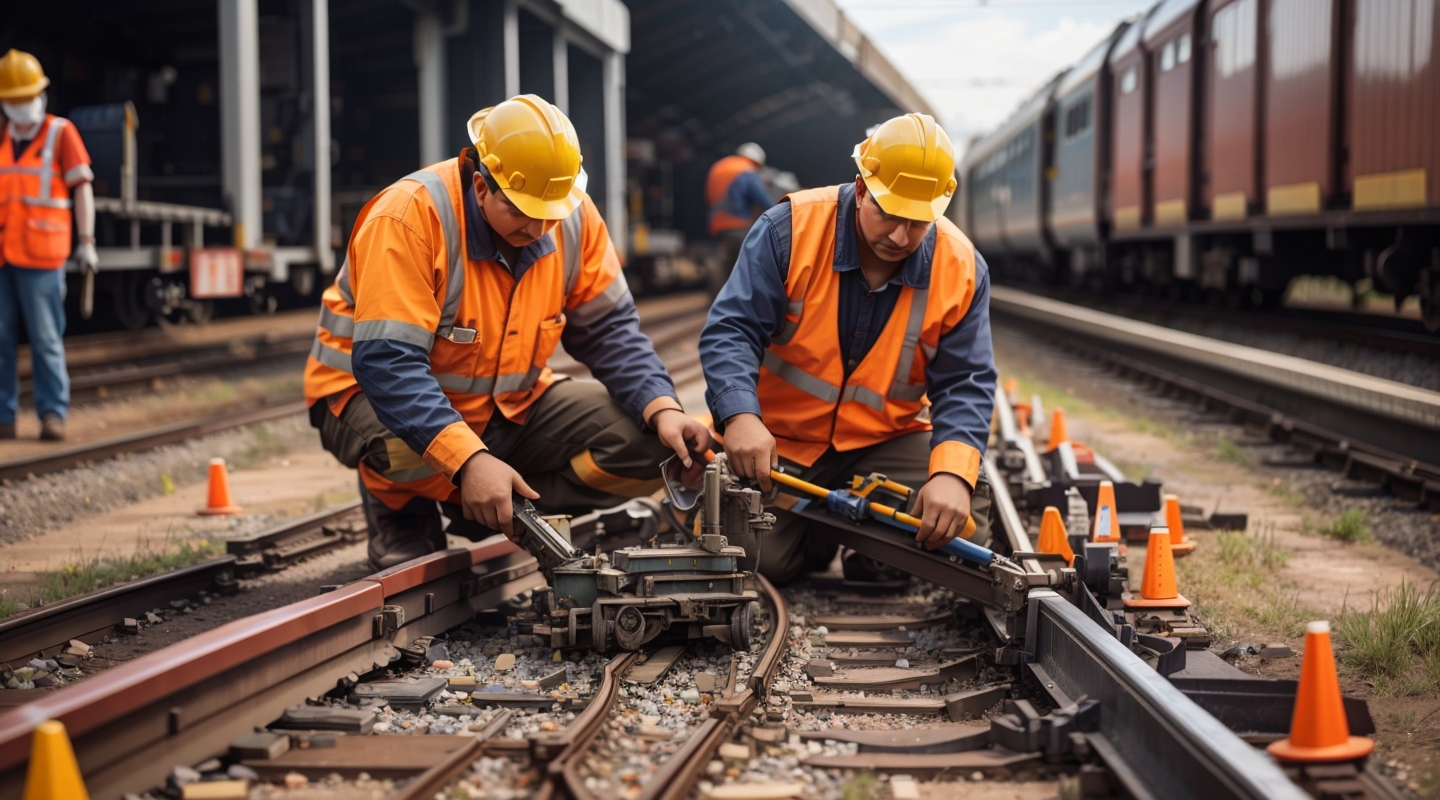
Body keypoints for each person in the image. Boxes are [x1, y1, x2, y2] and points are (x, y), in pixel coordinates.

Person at [305, 95, 711, 569]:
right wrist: (468, 461)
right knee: (402, 445)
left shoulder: (572, 217)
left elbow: (610, 330)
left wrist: (662, 407)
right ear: (481, 186)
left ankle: (497, 507)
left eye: (550, 212)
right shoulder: (409, 217)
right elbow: (389, 365)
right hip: (365, 396)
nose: (538, 228)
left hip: (506, 404)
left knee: (649, 443)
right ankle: (400, 509)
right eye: (520, 211)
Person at [699, 113, 997, 585]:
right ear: (861, 189)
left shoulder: (961, 267)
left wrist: (953, 476)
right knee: (755, 561)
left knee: (960, 524)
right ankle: (825, 537)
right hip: (781, 443)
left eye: (917, 222)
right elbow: (732, 329)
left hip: (885, 441)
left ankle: (854, 542)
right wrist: (740, 417)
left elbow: (966, 380)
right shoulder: (789, 230)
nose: (900, 236)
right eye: (889, 213)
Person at [0, 49, 98, 442]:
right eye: (16, 99)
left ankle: (53, 414)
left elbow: (82, 187)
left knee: (46, 339)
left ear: (41, 94)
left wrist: (87, 241)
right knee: (0, 339)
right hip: (3, 256)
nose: (23, 105)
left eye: (28, 97)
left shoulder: (61, 133)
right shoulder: (1, 138)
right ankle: (3, 416)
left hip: (42, 256)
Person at [705, 142, 773, 298]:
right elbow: (761, 198)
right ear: (755, 160)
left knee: (724, 264)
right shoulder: (746, 170)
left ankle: (719, 299)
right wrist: (778, 209)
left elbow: (709, 197)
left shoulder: (718, 167)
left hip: (718, 225)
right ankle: (743, 300)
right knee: (744, 265)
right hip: (739, 224)